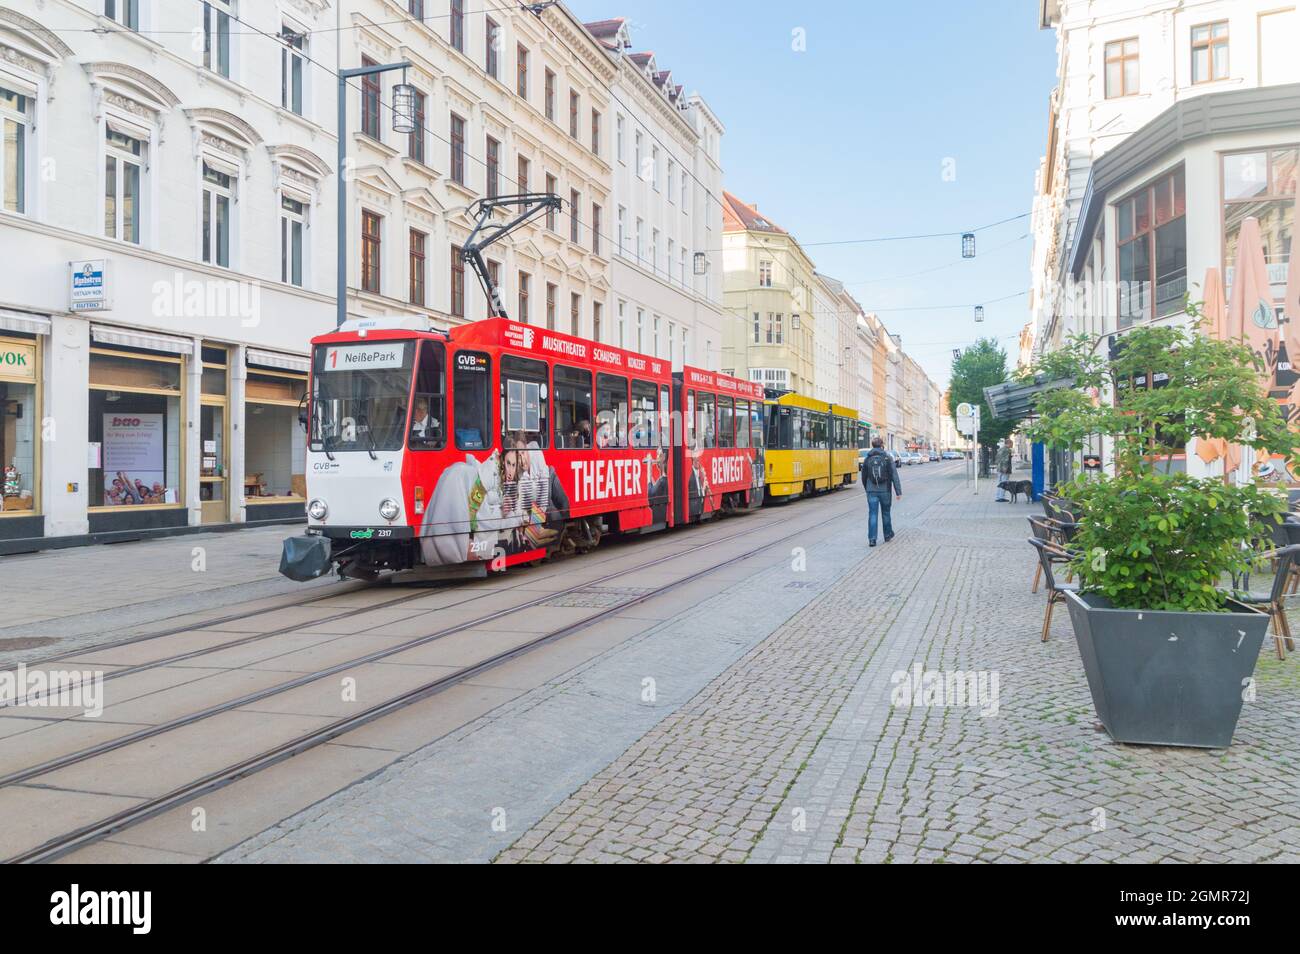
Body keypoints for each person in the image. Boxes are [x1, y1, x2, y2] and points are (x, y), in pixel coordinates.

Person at [860, 436, 901, 546]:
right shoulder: (887, 457)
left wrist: (867, 488)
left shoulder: (868, 458)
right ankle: (887, 535)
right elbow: (894, 475)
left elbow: (863, 476)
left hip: (871, 490)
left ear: (872, 445)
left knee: (872, 514)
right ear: (882, 445)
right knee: (886, 513)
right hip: (885, 490)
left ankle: (872, 539)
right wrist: (898, 492)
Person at [994, 438, 1014, 502]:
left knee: (1000, 483)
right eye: (1011, 443)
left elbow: (997, 459)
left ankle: (998, 497)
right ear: (1009, 443)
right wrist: (1006, 469)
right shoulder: (1007, 450)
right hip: (1005, 469)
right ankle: (1001, 497)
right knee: (1004, 484)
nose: (1012, 445)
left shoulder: (1000, 449)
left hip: (999, 469)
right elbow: (1006, 461)